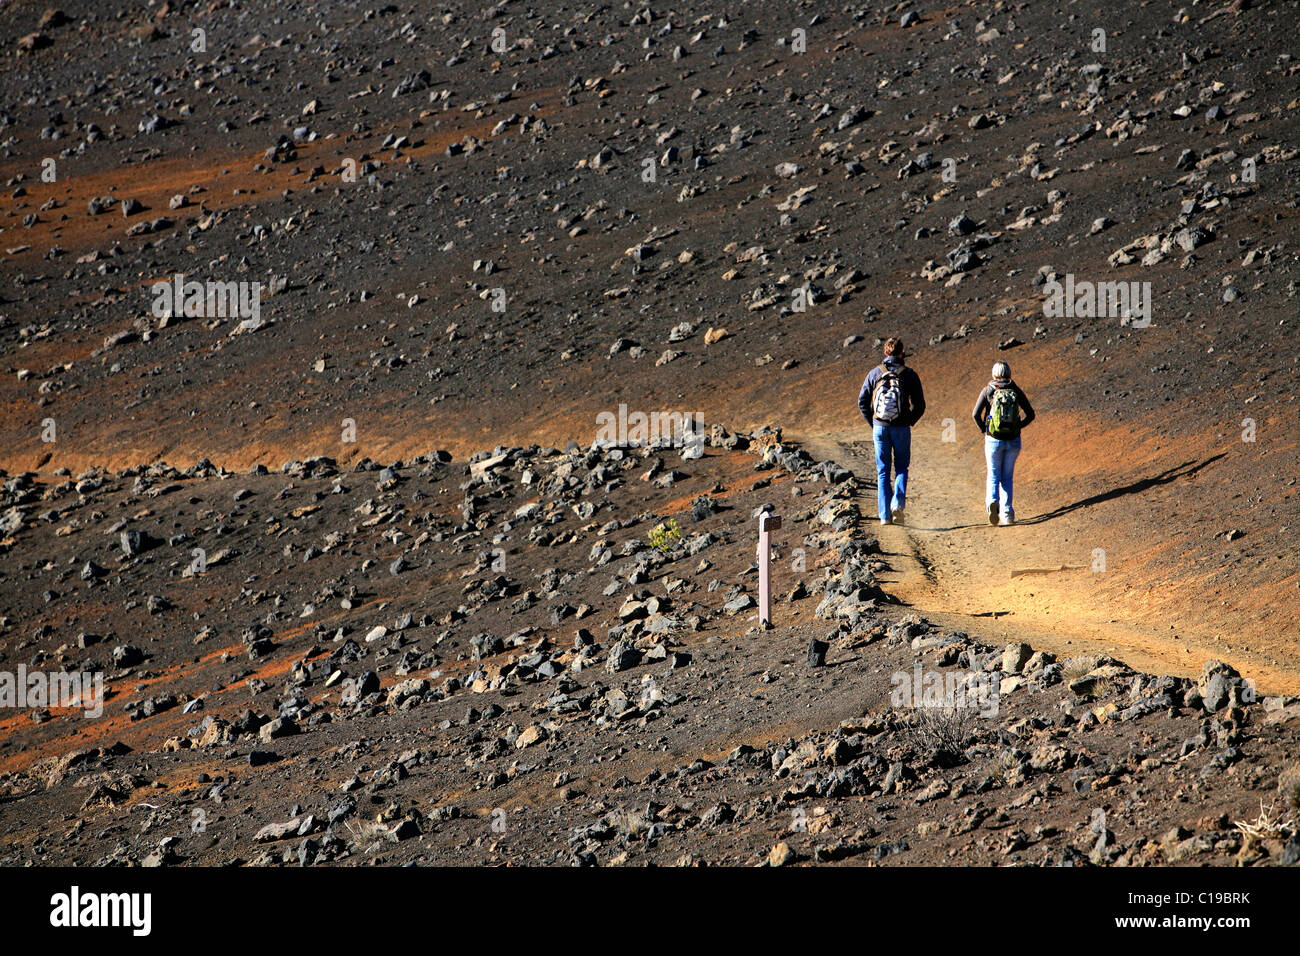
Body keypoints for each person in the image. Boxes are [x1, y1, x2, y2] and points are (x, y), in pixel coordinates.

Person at [858, 337, 926, 525]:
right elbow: (920, 405)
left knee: (882, 472)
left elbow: (862, 402)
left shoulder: (874, 373)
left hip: (880, 428)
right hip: (901, 428)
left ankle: (885, 516)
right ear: (902, 352)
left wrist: (874, 423)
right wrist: (909, 421)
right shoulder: (910, 375)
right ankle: (897, 504)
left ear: (885, 353)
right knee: (902, 468)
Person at [972, 361, 1035, 526]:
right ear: (1009, 373)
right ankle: (1007, 514)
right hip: (1013, 440)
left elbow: (975, 414)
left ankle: (992, 502)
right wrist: (1018, 427)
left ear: (994, 374)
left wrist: (984, 429)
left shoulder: (988, 390)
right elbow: (1031, 414)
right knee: (1007, 476)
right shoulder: (1015, 390)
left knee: (993, 474)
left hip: (993, 439)